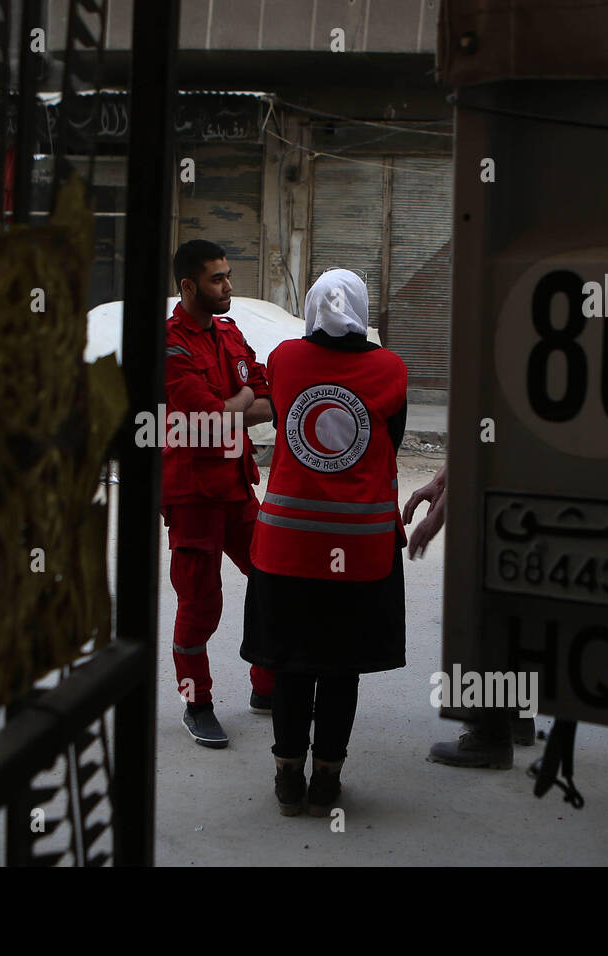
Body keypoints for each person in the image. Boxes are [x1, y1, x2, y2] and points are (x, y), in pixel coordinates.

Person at [241, 269, 409, 815]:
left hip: (288, 546)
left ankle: (287, 778)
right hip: (360, 549)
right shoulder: (390, 369)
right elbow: (392, 443)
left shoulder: (285, 359)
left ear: (313, 306)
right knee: (341, 668)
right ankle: (326, 781)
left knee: (290, 663)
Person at [163, 240, 276, 748]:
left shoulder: (230, 332)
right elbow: (206, 416)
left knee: (275, 580)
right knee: (200, 605)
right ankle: (197, 701)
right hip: (193, 495)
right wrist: (241, 402)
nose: (229, 287)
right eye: (217, 279)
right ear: (187, 286)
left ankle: (267, 687)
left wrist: (240, 401)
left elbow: (267, 399)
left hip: (236, 486)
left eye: (228, 276)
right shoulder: (171, 347)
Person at [402, 465, 535, 767]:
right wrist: (441, 480)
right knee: (515, 604)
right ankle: (516, 717)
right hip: (529, 495)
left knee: (487, 611)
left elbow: (480, 445)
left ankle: (490, 736)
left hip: (500, 497)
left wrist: (436, 517)